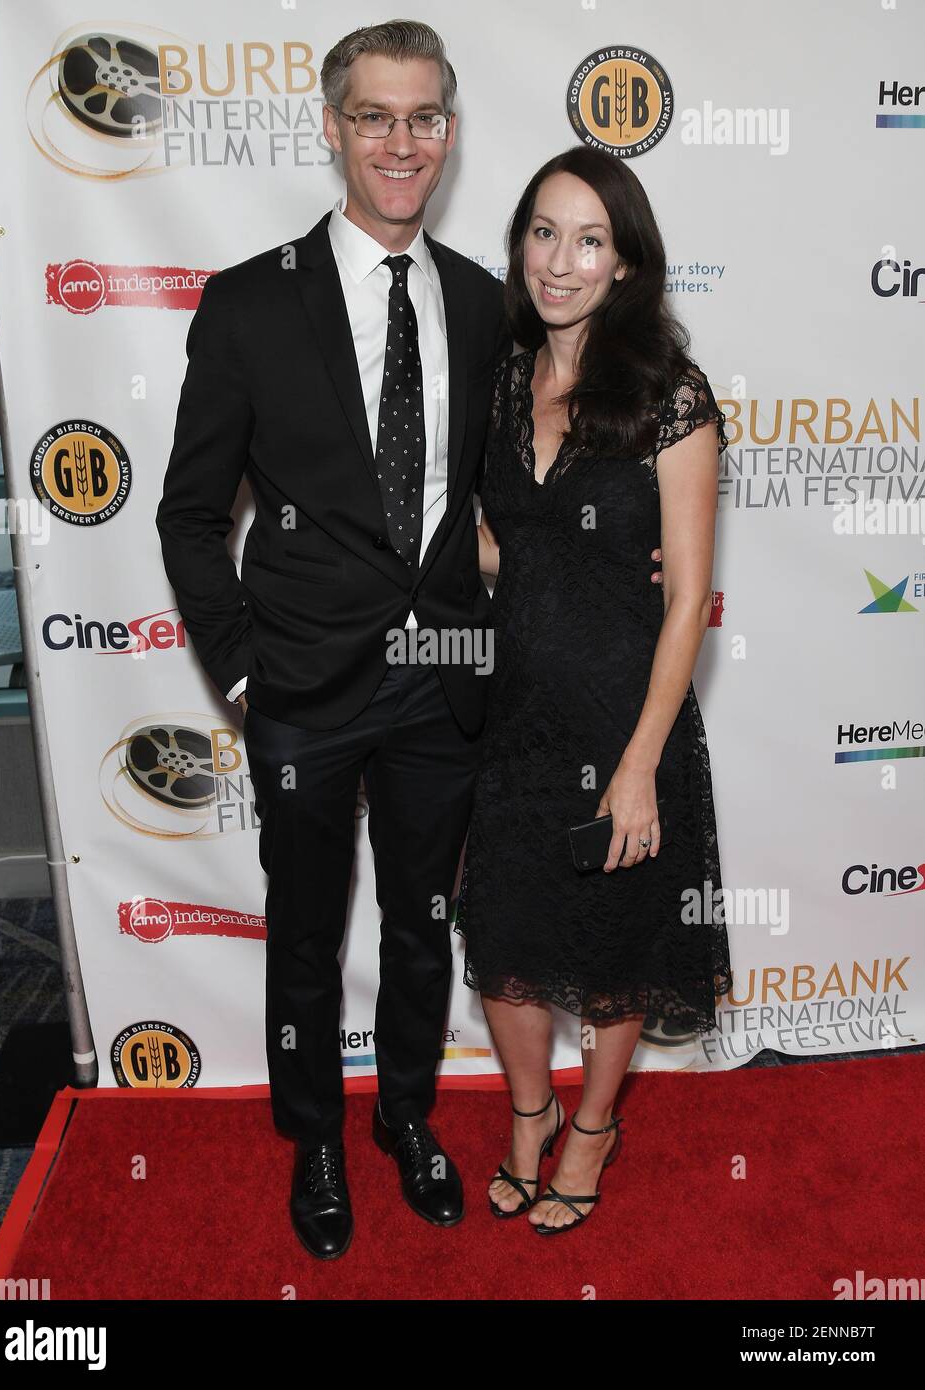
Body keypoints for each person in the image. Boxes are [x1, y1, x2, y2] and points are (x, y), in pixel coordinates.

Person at [157, 20, 663, 1261]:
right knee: (302, 932)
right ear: (332, 126)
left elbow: (533, 480)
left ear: (447, 132)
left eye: (424, 117)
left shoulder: (489, 306)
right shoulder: (244, 305)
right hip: (303, 689)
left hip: (447, 683)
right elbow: (185, 512)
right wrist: (237, 670)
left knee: (420, 925)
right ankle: (315, 1138)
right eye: (375, 116)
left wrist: (618, 543)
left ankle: (404, 1119)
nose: (400, 142)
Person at [454, 145, 734, 1234]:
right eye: (540, 232)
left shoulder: (670, 395)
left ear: (625, 264)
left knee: (615, 946)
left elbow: (687, 601)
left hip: (628, 719)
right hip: (513, 717)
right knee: (507, 941)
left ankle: (593, 1127)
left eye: (587, 239)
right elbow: (507, 549)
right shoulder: (502, 383)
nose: (558, 262)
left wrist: (637, 765)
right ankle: (528, 1116)